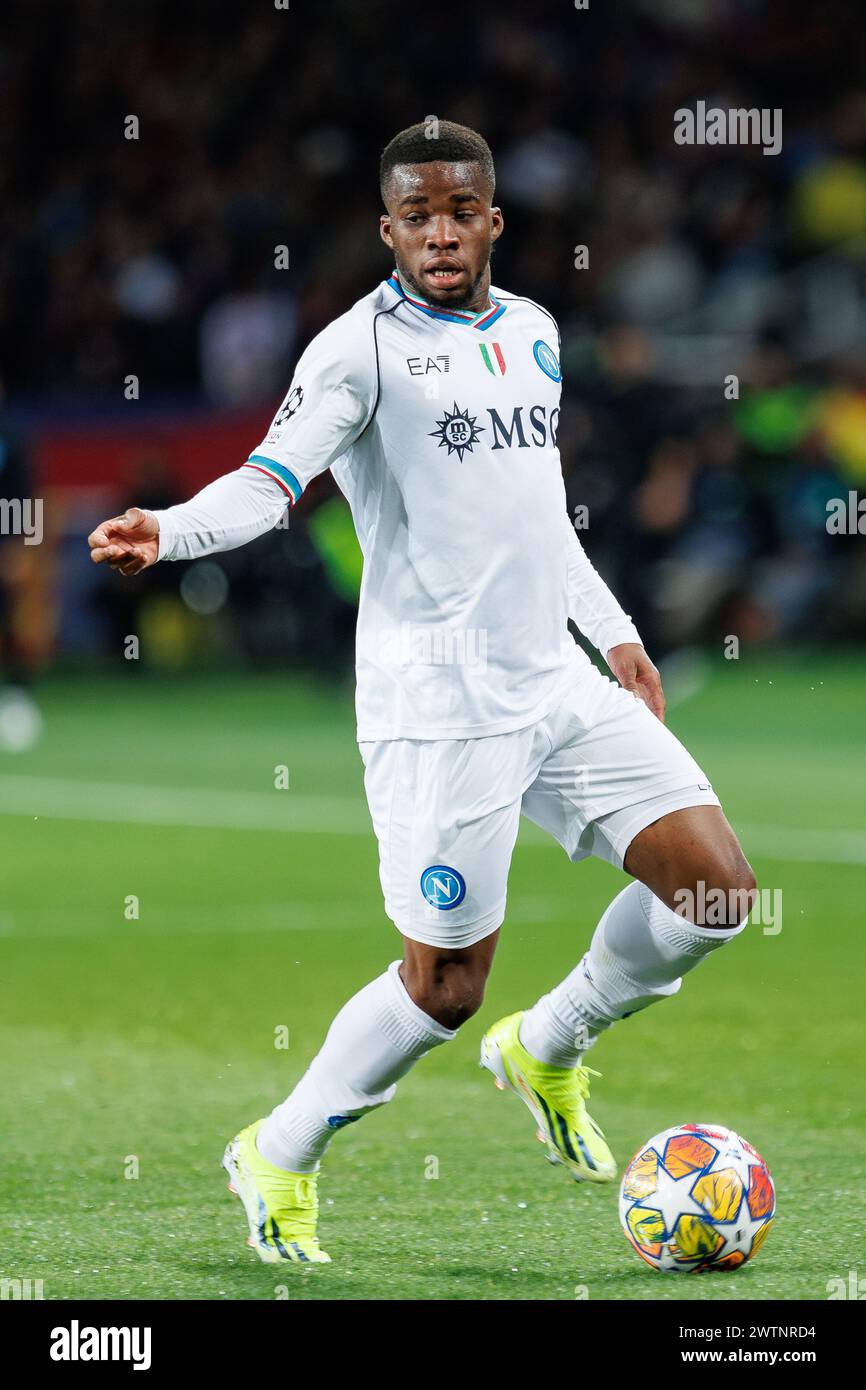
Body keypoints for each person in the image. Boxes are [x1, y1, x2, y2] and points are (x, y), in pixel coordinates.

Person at [88, 122, 756, 1266]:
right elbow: (270, 481)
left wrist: (612, 632)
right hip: (435, 707)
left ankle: (549, 1040)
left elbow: (537, 514)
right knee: (443, 985)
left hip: (551, 680)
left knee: (716, 895)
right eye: (418, 215)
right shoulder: (357, 352)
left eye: (460, 210)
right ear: (387, 228)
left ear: (492, 219)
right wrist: (173, 531)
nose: (440, 232)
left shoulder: (536, 333)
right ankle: (280, 1148)